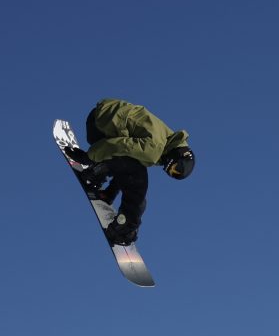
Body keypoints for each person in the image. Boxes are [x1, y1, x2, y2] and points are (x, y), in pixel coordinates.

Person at [68, 98, 196, 246]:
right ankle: (122, 227)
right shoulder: (155, 148)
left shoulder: (167, 140)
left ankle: (100, 175)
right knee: (138, 183)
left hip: (103, 118)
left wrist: (110, 193)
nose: (171, 171)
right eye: (175, 169)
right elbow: (120, 146)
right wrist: (89, 157)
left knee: (132, 167)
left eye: (173, 174)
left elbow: (129, 161)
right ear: (179, 155)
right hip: (100, 125)